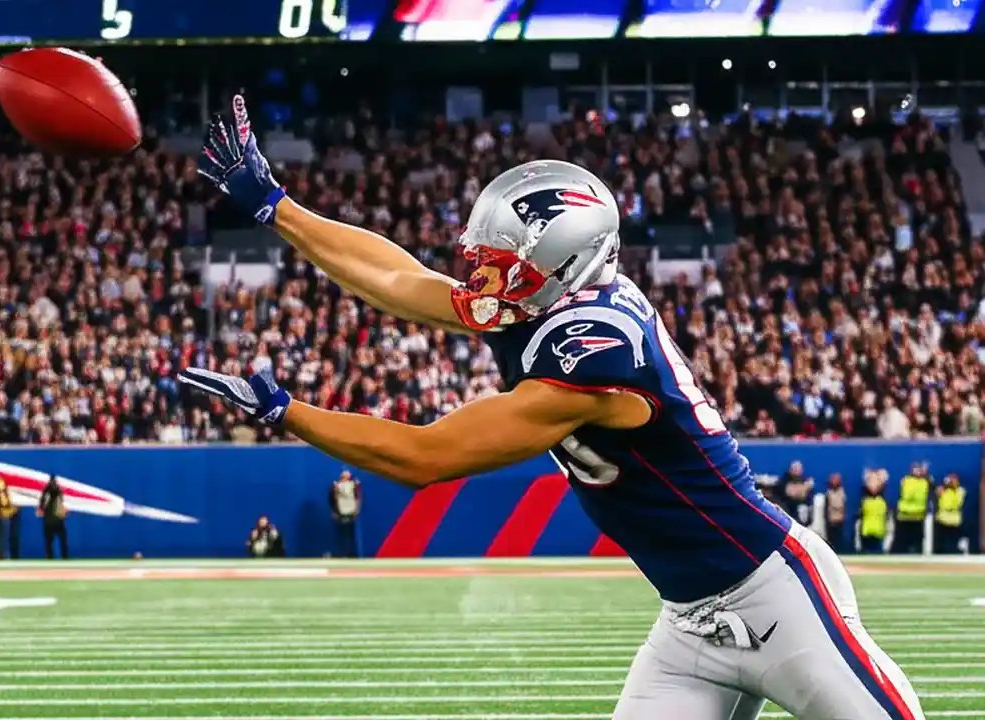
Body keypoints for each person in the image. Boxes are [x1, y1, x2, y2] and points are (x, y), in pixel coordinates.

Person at [181, 97, 925, 720]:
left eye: (503, 265)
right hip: (689, 622)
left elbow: (424, 458)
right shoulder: (543, 301)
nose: (479, 278)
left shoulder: (595, 345)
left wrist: (286, 412)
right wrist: (275, 208)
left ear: (564, 267)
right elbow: (396, 278)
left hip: (774, 597)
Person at [893, 462, 932, 555]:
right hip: (904, 516)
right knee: (901, 543)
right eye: (915, 468)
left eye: (919, 469)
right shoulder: (906, 480)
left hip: (918, 517)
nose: (917, 471)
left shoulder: (926, 482)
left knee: (918, 543)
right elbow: (907, 495)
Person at [329, 470, 362, 558]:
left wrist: (357, 509)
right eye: (344, 477)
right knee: (343, 535)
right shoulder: (336, 486)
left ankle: (352, 554)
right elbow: (332, 499)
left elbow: (357, 498)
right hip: (341, 513)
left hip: (351, 512)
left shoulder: (353, 486)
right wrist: (334, 511)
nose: (346, 479)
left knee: (351, 535)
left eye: (348, 477)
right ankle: (344, 554)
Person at [934, 473, 966, 554]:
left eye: (953, 480)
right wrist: (941, 491)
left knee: (953, 543)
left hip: (954, 521)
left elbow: (956, 503)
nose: (951, 482)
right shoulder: (942, 490)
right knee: (940, 543)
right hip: (941, 520)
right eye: (949, 480)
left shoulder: (960, 490)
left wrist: (952, 488)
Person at [0, 476, 21, 560]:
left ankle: (3, 556)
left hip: (3, 520)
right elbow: (3, 504)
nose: (0, 484)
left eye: (1, 483)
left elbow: (7, 508)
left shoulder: (6, 495)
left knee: (3, 540)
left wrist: (15, 509)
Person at [37, 474, 68, 559]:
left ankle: (54, 557)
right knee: (51, 541)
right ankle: (56, 557)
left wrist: (41, 509)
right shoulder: (51, 492)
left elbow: (42, 505)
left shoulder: (54, 491)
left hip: (54, 519)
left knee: (52, 541)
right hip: (52, 519)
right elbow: (42, 505)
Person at [858, 474, 890, 555]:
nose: (873, 487)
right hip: (866, 532)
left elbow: (886, 517)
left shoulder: (883, 502)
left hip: (878, 533)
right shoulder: (864, 501)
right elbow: (860, 516)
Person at [824, 473, 848, 552]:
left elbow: (843, 506)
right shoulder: (828, 493)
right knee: (830, 541)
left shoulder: (842, 493)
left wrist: (843, 517)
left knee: (839, 540)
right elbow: (826, 508)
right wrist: (827, 519)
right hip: (831, 521)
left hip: (839, 520)